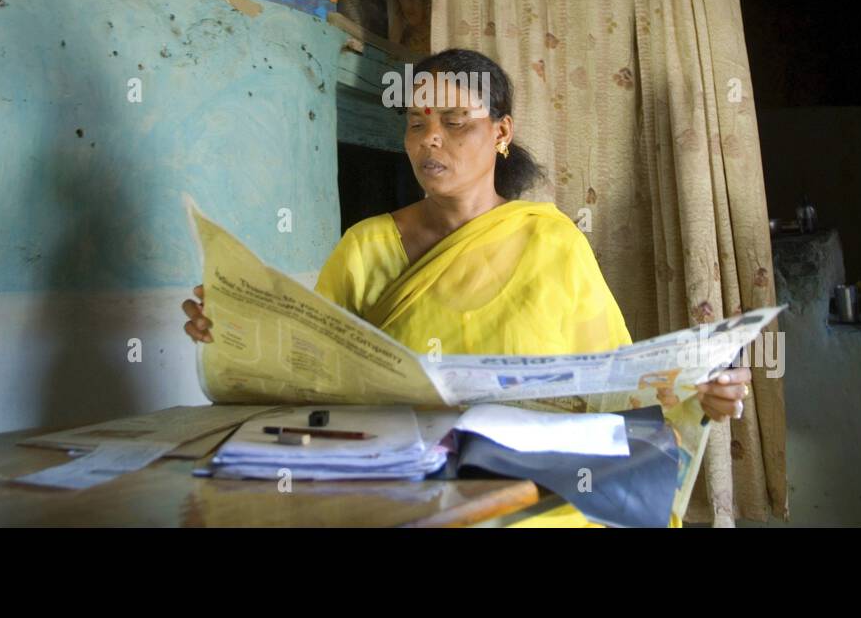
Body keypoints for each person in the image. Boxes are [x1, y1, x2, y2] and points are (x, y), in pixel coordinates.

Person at [183, 49, 751, 526]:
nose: (430, 139)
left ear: (501, 133)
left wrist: (698, 395)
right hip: (401, 487)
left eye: (454, 122)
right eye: (416, 123)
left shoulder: (552, 241)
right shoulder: (365, 246)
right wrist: (237, 333)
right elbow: (308, 380)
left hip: (539, 488)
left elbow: (618, 385)